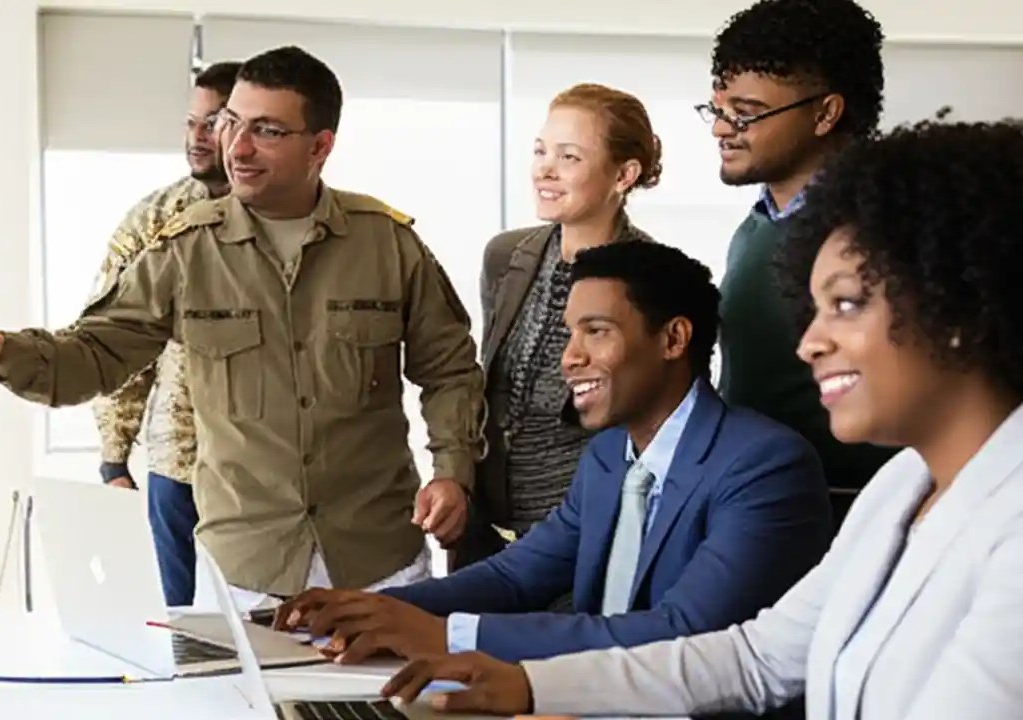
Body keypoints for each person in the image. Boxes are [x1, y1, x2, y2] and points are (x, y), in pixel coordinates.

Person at [380, 121, 1023, 720]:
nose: (809, 344)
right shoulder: (901, 488)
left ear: (961, 304)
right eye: (814, 309)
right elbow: (757, 656)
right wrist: (527, 685)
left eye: (847, 305)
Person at [0, 46, 483, 598]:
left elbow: (450, 369)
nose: (238, 147)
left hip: (379, 562)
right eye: (232, 122)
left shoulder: (388, 244)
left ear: (320, 146)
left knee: (386, 709)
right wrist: (0, 348)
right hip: (246, 573)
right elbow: (94, 356)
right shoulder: (182, 250)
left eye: (267, 131)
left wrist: (452, 472)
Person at [274, 241, 832, 671]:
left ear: (673, 339)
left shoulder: (764, 466)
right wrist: (378, 608)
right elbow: (519, 577)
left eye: (596, 331)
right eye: (570, 334)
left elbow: (681, 632)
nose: (570, 358)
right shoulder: (611, 454)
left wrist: (447, 636)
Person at [700, 0, 895, 525]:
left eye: (745, 113)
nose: (721, 129)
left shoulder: (884, 227)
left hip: (849, 513)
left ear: (825, 113)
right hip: (754, 504)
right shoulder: (757, 227)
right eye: (718, 110)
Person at [456, 83, 660, 572]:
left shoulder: (652, 276)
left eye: (569, 156)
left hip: (584, 539)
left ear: (624, 174)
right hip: (484, 532)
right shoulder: (506, 256)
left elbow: (649, 426)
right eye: (541, 150)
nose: (545, 169)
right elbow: (491, 389)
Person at [90, 60, 239, 607]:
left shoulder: (289, 218)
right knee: (178, 620)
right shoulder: (156, 219)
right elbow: (110, 339)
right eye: (190, 123)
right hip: (178, 460)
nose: (197, 138)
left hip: (269, 474)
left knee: (268, 629)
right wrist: (113, 455)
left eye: (212, 123)